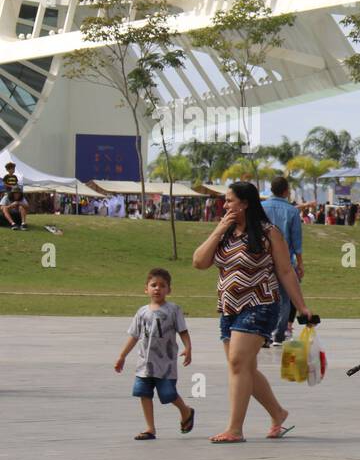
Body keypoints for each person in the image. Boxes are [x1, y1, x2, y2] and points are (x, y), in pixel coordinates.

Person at [192, 180, 313, 443]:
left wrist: (301, 307)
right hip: (229, 308)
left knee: (237, 363)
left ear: (245, 203)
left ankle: (234, 429)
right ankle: (278, 413)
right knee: (243, 367)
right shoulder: (225, 232)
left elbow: (285, 271)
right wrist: (218, 229)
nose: (225, 205)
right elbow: (199, 262)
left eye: (230, 200)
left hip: (260, 305)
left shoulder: (270, 233)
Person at [113, 268, 196, 440]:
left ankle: (186, 411)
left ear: (169, 290)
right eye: (153, 285)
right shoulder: (142, 312)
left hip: (165, 364)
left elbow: (183, 331)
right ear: (146, 289)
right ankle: (150, 428)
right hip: (145, 364)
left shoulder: (174, 310)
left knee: (168, 394)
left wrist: (188, 348)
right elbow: (134, 336)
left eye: (162, 286)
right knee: (144, 393)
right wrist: (122, 356)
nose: (157, 289)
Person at [261, 176, 304, 346]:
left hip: (264, 261)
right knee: (285, 299)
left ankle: (264, 333)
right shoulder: (292, 211)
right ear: (286, 191)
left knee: (265, 297)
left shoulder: (262, 208)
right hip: (286, 261)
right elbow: (296, 241)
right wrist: (300, 264)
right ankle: (278, 334)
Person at [2, 162, 30, 230]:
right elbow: (4, 184)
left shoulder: (14, 177)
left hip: (17, 212)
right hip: (8, 192)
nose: (13, 170)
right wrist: (11, 206)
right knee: (4, 207)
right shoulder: (6, 177)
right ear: (8, 169)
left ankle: (23, 224)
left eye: (14, 169)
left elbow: (27, 206)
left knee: (21, 206)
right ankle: (12, 224)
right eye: (12, 169)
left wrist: (18, 203)